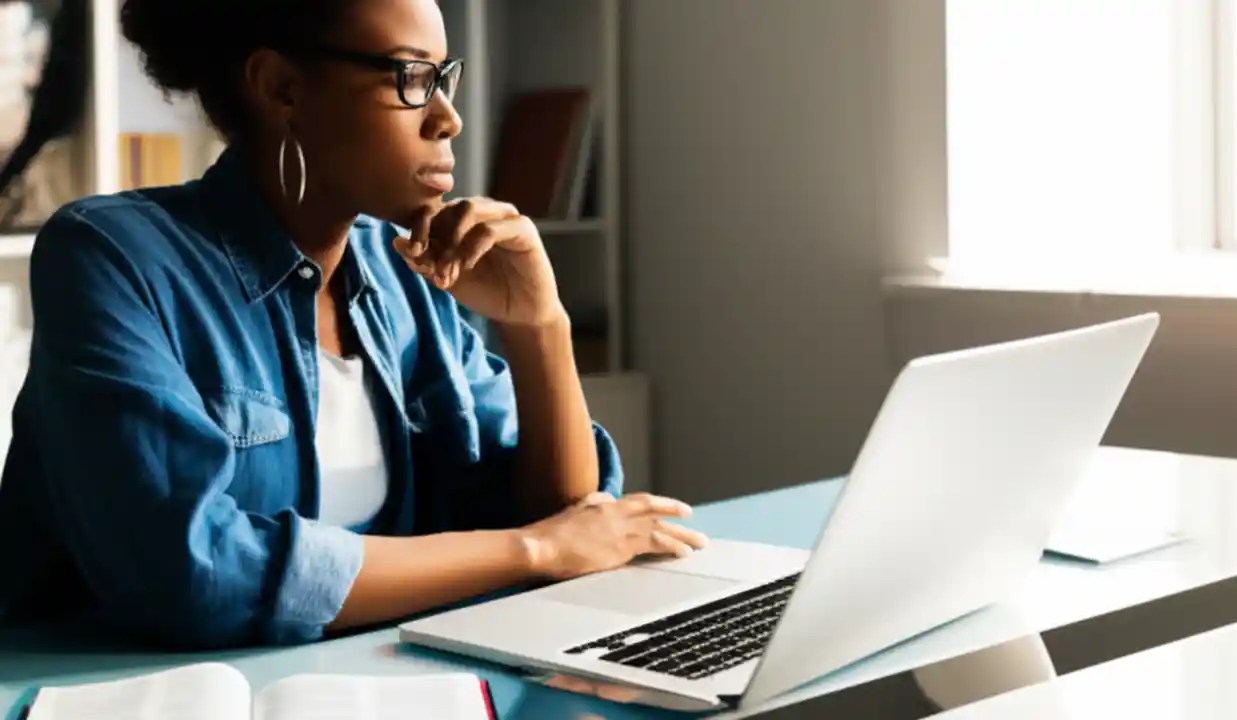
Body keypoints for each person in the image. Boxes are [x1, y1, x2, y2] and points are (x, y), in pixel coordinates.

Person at [0, 0, 708, 650]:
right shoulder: (114, 255)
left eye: (444, 78)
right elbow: (190, 570)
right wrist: (534, 551)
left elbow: (567, 517)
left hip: (371, 683)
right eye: (411, 78)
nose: (447, 118)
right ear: (281, 88)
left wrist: (539, 325)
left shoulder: (405, 272)